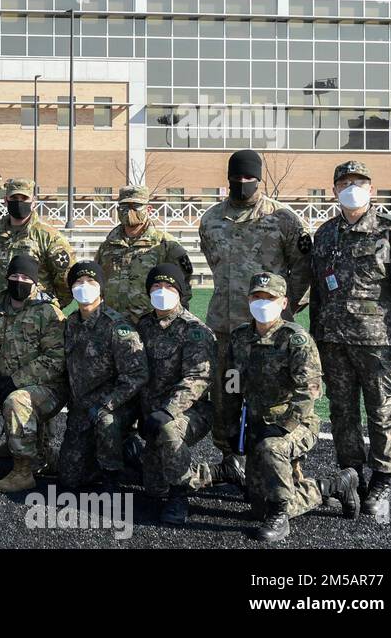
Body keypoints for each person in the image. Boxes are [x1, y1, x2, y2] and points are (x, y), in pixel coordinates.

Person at [310, 161, 391, 519]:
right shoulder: (326, 233)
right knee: (342, 413)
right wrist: (316, 334)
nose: (352, 187)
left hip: (377, 342)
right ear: (334, 191)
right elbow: (318, 289)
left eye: (359, 182)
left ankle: (382, 482)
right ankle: (351, 476)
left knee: (381, 412)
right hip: (333, 341)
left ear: (371, 189)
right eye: (344, 182)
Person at [199, 149, 312, 478]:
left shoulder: (284, 219)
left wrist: (288, 307)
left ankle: (286, 465)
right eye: (237, 178)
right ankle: (231, 458)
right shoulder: (211, 219)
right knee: (227, 394)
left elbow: (303, 268)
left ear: (260, 179)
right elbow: (215, 264)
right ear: (228, 179)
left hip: (268, 333)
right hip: (225, 328)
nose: (243, 183)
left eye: (249, 178)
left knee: (272, 400)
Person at [230, 272, 360, 542]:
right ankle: (334, 486)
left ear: (284, 302)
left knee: (272, 451)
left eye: (270, 297)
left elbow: (309, 391)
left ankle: (280, 517)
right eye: (257, 296)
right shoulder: (240, 337)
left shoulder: (295, 339)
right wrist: (232, 424)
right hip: (257, 424)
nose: (262, 302)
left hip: (295, 424)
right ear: (248, 300)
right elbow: (232, 382)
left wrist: (282, 426)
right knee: (257, 506)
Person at [136, 264, 226, 525]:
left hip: (188, 412)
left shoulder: (194, 330)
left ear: (180, 292)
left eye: (169, 287)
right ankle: (217, 472)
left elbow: (198, 379)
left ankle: (179, 496)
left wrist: (166, 412)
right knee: (154, 487)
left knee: (169, 432)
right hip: (150, 411)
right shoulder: (143, 325)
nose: (162, 292)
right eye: (156, 287)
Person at [0, 255, 67, 493]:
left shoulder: (48, 312)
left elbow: (56, 358)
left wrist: (16, 381)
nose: (19, 281)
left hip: (48, 388)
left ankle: (23, 472)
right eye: (15, 276)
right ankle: (19, 447)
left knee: (17, 401)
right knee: (14, 400)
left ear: (35, 282)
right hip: (7, 384)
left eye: (26, 277)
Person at [58, 260, 148, 493]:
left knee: (106, 423)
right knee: (69, 478)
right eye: (78, 282)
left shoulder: (117, 326)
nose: (84, 286)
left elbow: (137, 374)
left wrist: (106, 404)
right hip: (82, 408)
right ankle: (107, 454)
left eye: (90, 281)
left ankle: (113, 472)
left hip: (114, 406)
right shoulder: (71, 324)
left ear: (101, 287)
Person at [95, 184, 194, 323]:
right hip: (112, 323)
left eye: (136, 206)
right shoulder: (107, 246)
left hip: (150, 325)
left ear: (148, 209)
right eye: (124, 207)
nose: (129, 211)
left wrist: (173, 321)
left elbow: (184, 285)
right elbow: (97, 283)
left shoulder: (165, 245)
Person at [0, 178, 76, 308]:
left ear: (33, 202)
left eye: (24, 198)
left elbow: (66, 279)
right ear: (5, 201)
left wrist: (50, 308)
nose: (19, 203)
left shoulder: (48, 236)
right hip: (1, 315)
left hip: (36, 317)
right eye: (14, 199)